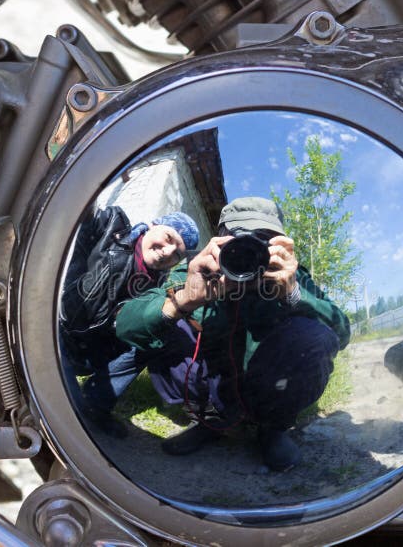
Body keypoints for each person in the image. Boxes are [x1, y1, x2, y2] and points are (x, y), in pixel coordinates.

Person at [116, 197, 350, 470]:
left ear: (280, 245)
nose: (249, 250)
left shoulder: (291, 276)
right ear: (220, 239)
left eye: (263, 240)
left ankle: (273, 429)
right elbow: (127, 327)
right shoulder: (197, 271)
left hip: (268, 385)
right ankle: (210, 422)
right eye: (238, 239)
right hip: (212, 385)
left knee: (314, 336)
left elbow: (340, 332)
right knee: (163, 322)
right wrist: (185, 299)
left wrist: (294, 295)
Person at [60, 205, 200, 437]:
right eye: (168, 238)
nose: (167, 252)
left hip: (93, 349)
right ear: (153, 225)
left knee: (153, 339)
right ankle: (68, 404)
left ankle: (96, 403)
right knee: (65, 415)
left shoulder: (158, 285)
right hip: (56, 333)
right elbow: (80, 213)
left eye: (177, 253)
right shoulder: (109, 231)